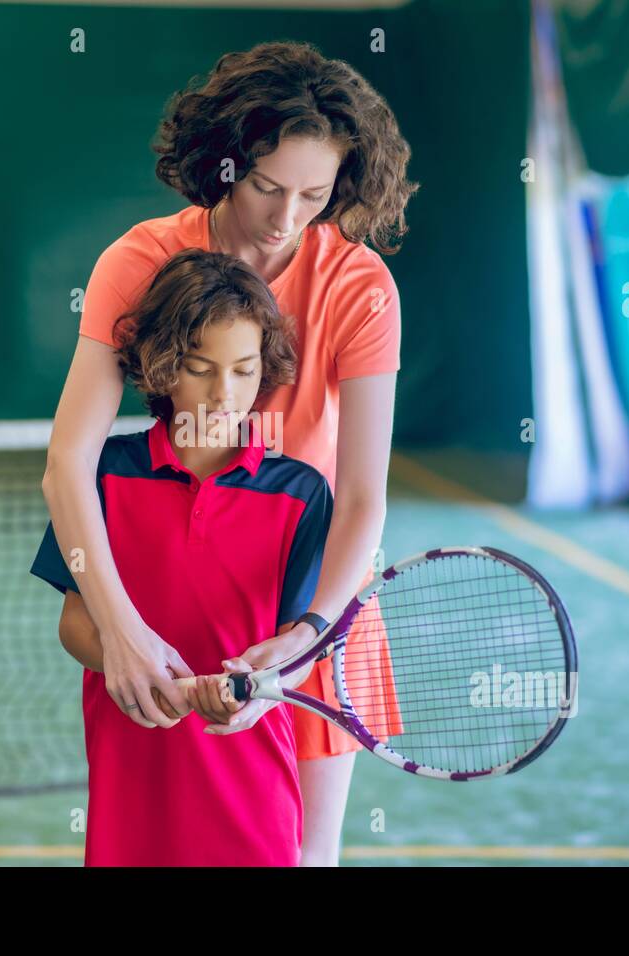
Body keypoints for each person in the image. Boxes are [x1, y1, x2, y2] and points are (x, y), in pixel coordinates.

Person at [41, 40, 417, 865]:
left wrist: (307, 632)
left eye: (314, 195)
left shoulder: (361, 288)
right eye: (266, 187)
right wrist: (122, 629)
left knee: (305, 857)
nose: (287, 218)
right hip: (179, 610)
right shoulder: (139, 263)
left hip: (311, 600)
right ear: (224, 163)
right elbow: (69, 462)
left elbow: (362, 499)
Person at [31, 249, 332, 866]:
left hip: (252, 792)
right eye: (200, 368)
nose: (225, 394)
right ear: (164, 365)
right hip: (132, 781)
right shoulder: (102, 476)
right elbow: (75, 626)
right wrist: (150, 676)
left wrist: (253, 685)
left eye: (245, 371)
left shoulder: (302, 494)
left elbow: (299, 650)